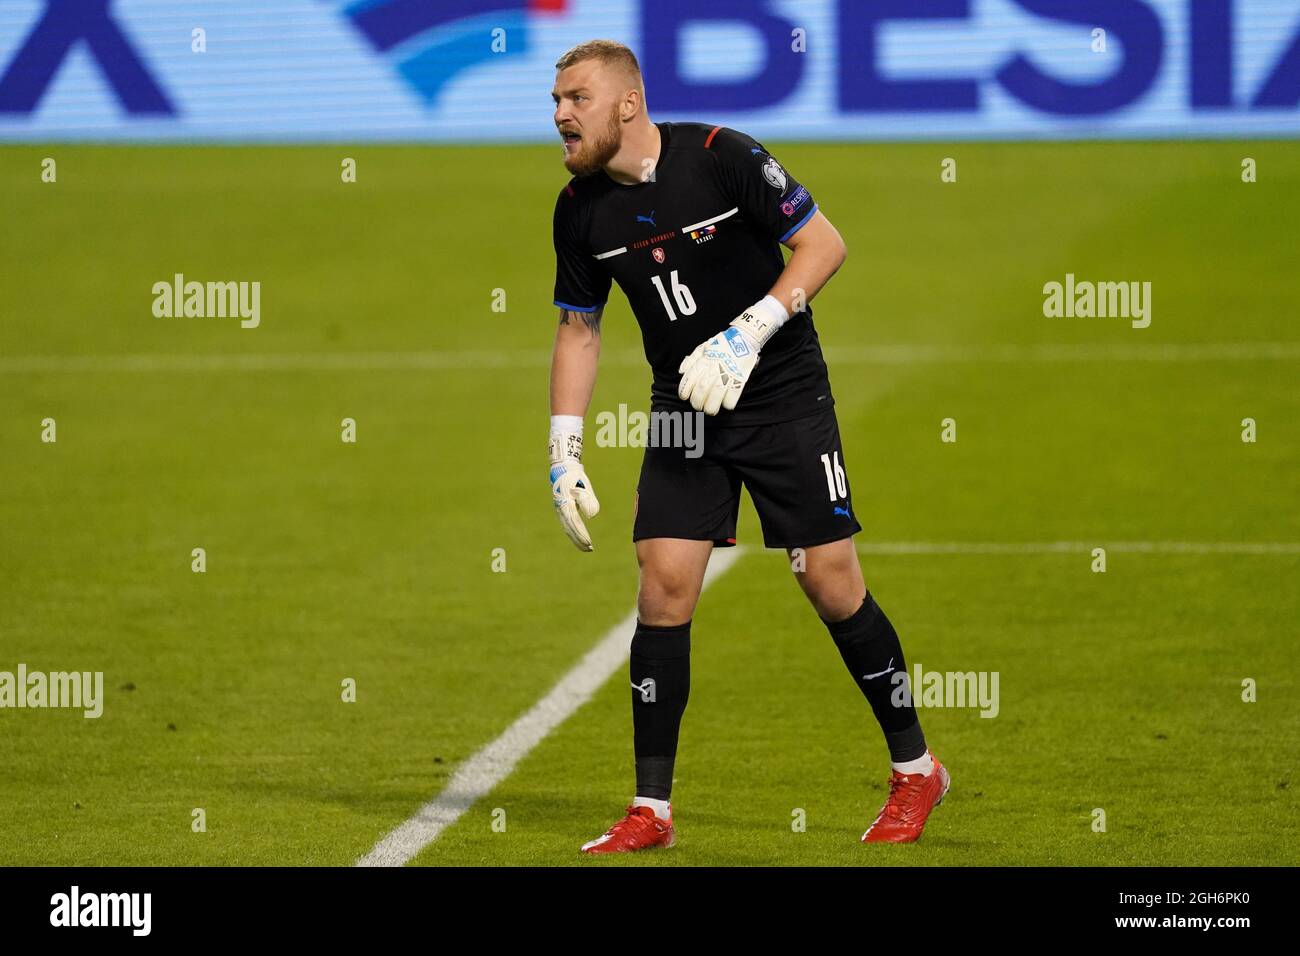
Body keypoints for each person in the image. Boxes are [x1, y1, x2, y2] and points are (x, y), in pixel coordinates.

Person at [546, 39, 949, 853]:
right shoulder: (580, 209)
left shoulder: (721, 157)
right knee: (662, 585)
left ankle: (916, 771)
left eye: (577, 98)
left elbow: (824, 244)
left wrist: (750, 330)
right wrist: (564, 448)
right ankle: (650, 811)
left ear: (628, 104)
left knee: (830, 583)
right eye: (555, 101)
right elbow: (578, 328)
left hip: (780, 395)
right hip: (684, 405)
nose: (560, 115)